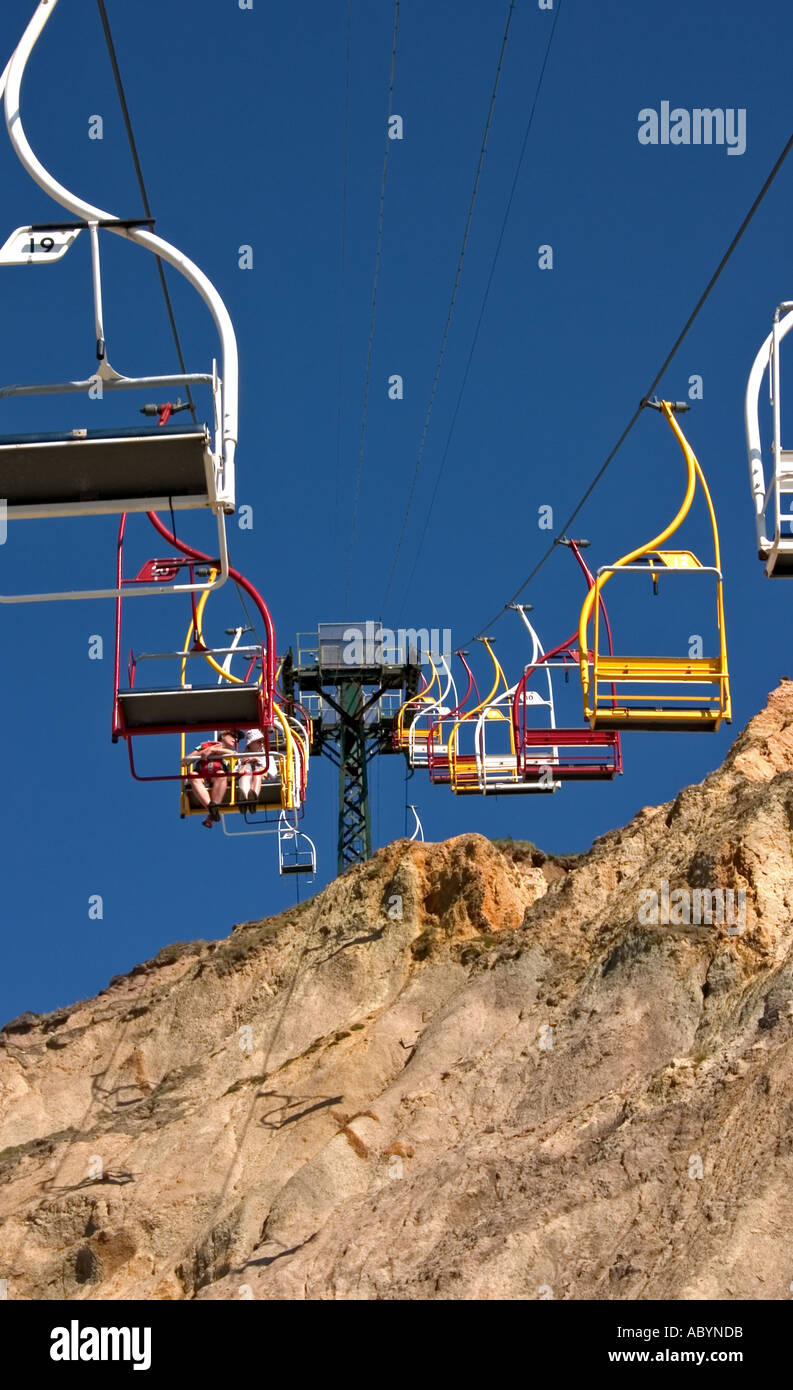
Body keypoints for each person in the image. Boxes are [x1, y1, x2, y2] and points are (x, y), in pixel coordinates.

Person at [181, 729, 241, 829]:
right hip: (202, 776)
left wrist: (214, 750)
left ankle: (212, 809)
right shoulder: (205, 745)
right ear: (222, 736)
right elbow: (185, 761)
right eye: (233, 736)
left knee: (221, 774)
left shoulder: (230, 753)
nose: (236, 739)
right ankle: (213, 810)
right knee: (192, 774)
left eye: (237, 739)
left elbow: (233, 754)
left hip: (217, 778)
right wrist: (203, 752)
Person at [237, 728, 280, 810]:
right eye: (258, 742)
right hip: (245, 776)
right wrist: (242, 764)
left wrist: (258, 760)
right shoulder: (241, 757)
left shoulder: (267, 756)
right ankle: (244, 798)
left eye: (262, 742)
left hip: (261, 777)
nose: (262, 744)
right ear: (250, 744)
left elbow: (273, 774)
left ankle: (253, 798)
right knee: (246, 771)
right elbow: (235, 772)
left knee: (257, 770)